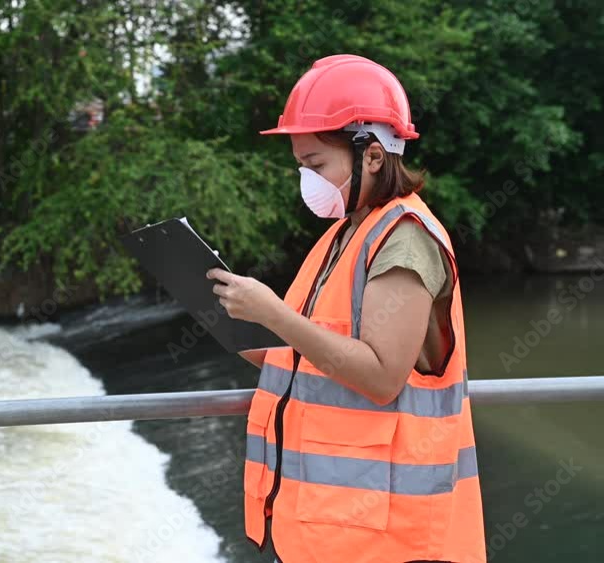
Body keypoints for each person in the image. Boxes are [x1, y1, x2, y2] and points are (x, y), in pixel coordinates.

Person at [206, 54, 486, 563]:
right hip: (331, 531)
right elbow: (300, 357)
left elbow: (381, 377)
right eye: (300, 166)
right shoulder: (344, 234)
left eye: (315, 165)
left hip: (389, 539)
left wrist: (272, 313)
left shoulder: (404, 242)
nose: (306, 180)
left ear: (373, 156)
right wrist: (225, 312)